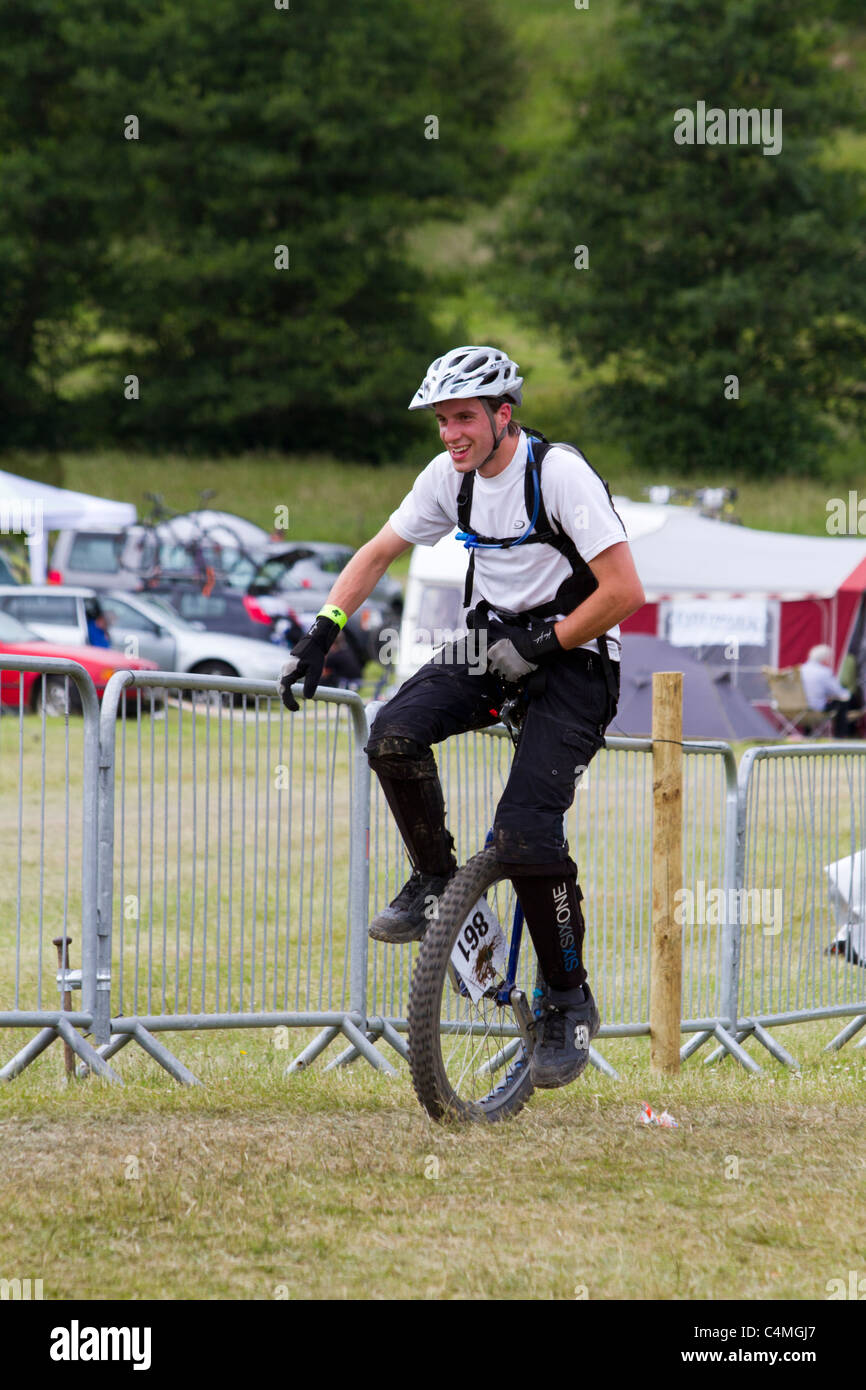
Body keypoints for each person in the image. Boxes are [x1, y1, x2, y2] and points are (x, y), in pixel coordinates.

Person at [278, 345, 645, 1089]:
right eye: (443, 420)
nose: (452, 433)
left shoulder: (557, 475)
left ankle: (568, 999)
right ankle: (438, 880)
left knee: (525, 834)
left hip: (576, 659)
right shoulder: (450, 479)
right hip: (492, 642)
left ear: (503, 415)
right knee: (392, 732)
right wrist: (321, 634)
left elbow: (624, 590)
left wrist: (542, 643)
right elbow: (381, 551)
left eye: (466, 418)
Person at [799, 644, 860, 738]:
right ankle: (840, 735)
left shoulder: (800, 670)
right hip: (816, 709)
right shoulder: (824, 672)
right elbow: (840, 693)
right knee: (842, 703)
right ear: (823, 659)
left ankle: (808, 733)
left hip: (798, 709)